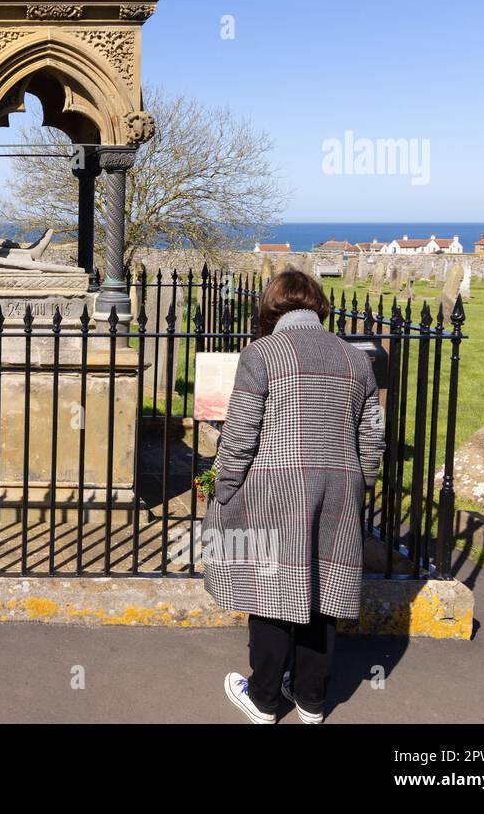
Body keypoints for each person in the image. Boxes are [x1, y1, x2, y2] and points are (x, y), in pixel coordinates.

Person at [202, 269, 386, 723]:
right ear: (317, 306)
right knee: (323, 590)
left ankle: (264, 699)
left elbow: (241, 432)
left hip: (275, 490)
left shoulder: (262, 353)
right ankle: (311, 699)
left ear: (271, 308)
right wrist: (363, 480)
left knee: (272, 590)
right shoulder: (355, 359)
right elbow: (372, 436)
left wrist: (222, 487)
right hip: (340, 488)